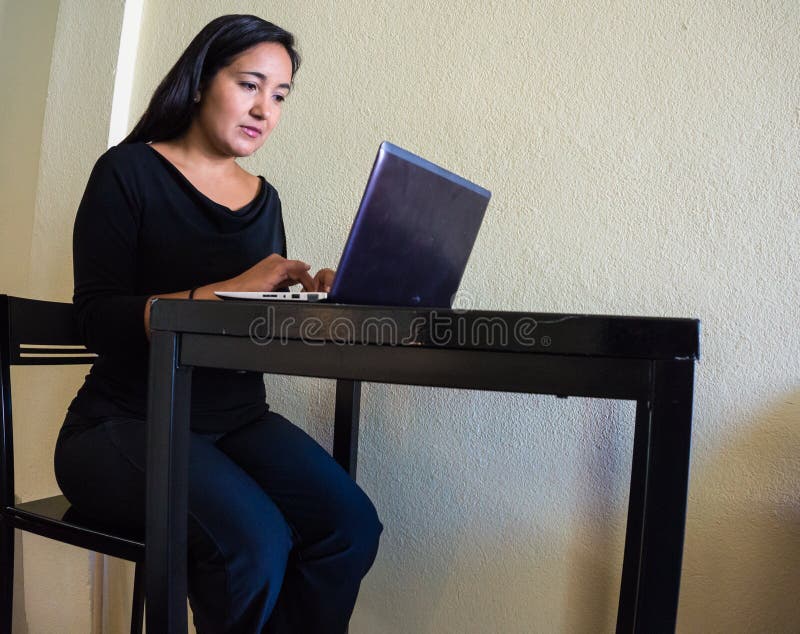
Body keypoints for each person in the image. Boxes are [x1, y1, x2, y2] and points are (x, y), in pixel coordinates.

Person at [54, 14, 383, 633]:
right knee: (253, 542)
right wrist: (231, 288)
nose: (265, 108)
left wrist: (312, 301)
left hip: (236, 422)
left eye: (280, 96)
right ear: (203, 79)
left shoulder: (266, 198)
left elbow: (252, 331)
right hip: (123, 423)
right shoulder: (127, 172)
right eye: (250, 84)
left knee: (349, 526)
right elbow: (97, 320)